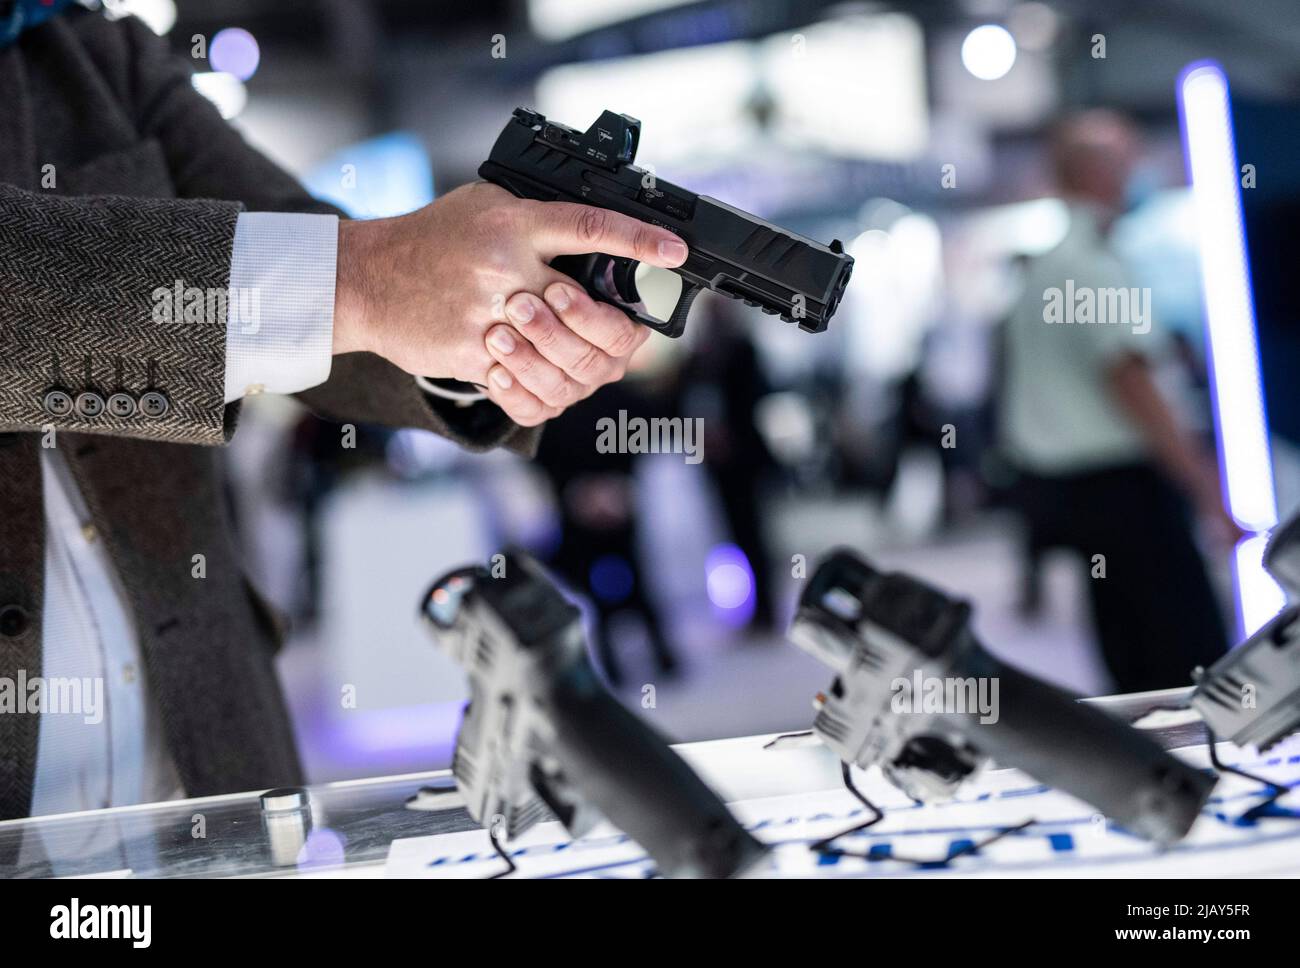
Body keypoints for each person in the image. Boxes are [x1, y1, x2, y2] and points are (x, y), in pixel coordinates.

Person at [0, 5, 689, 819]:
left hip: (209, 756)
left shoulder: (84, 48)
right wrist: (366, 279)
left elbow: (291, 231)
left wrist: (485, 340)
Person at [1000, 110, 1235, 694]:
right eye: (1129, 161)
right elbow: (1132, 382)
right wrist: (1204, 488)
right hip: (1127, 489)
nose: (1139, 173)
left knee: (1129, 643)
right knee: (1183, 649)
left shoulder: (1051, 266)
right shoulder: (1092, 269)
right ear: (1097, 172)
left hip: (1085, 494)